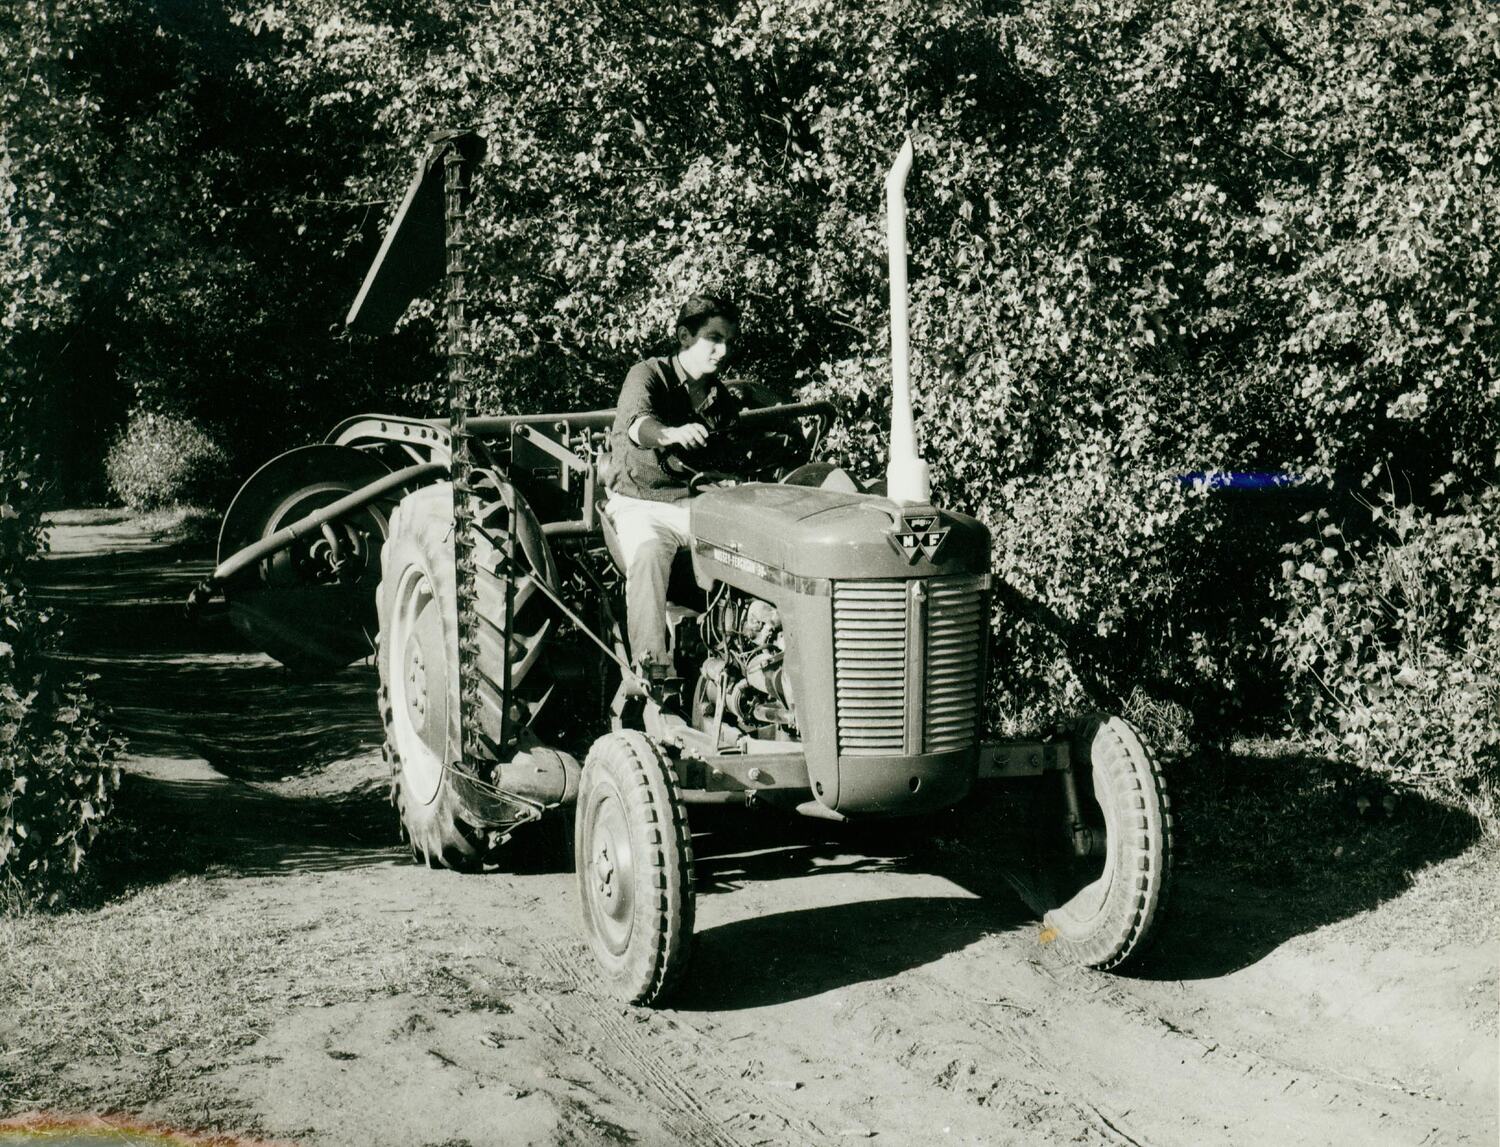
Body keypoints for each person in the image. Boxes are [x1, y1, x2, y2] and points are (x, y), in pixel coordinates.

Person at [606, 295, 743, 683]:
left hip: (696, 504)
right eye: (713, 339)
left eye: (729, 341)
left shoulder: (722, 400)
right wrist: (669, 433)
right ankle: (653, 669)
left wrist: (725, 478)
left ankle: (739, 655)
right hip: (641, 502)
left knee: (753, 547)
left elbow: (726, 458)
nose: (723, 350)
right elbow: (637, 425)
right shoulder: (647, 374)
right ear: (685, 336)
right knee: (648, 553)